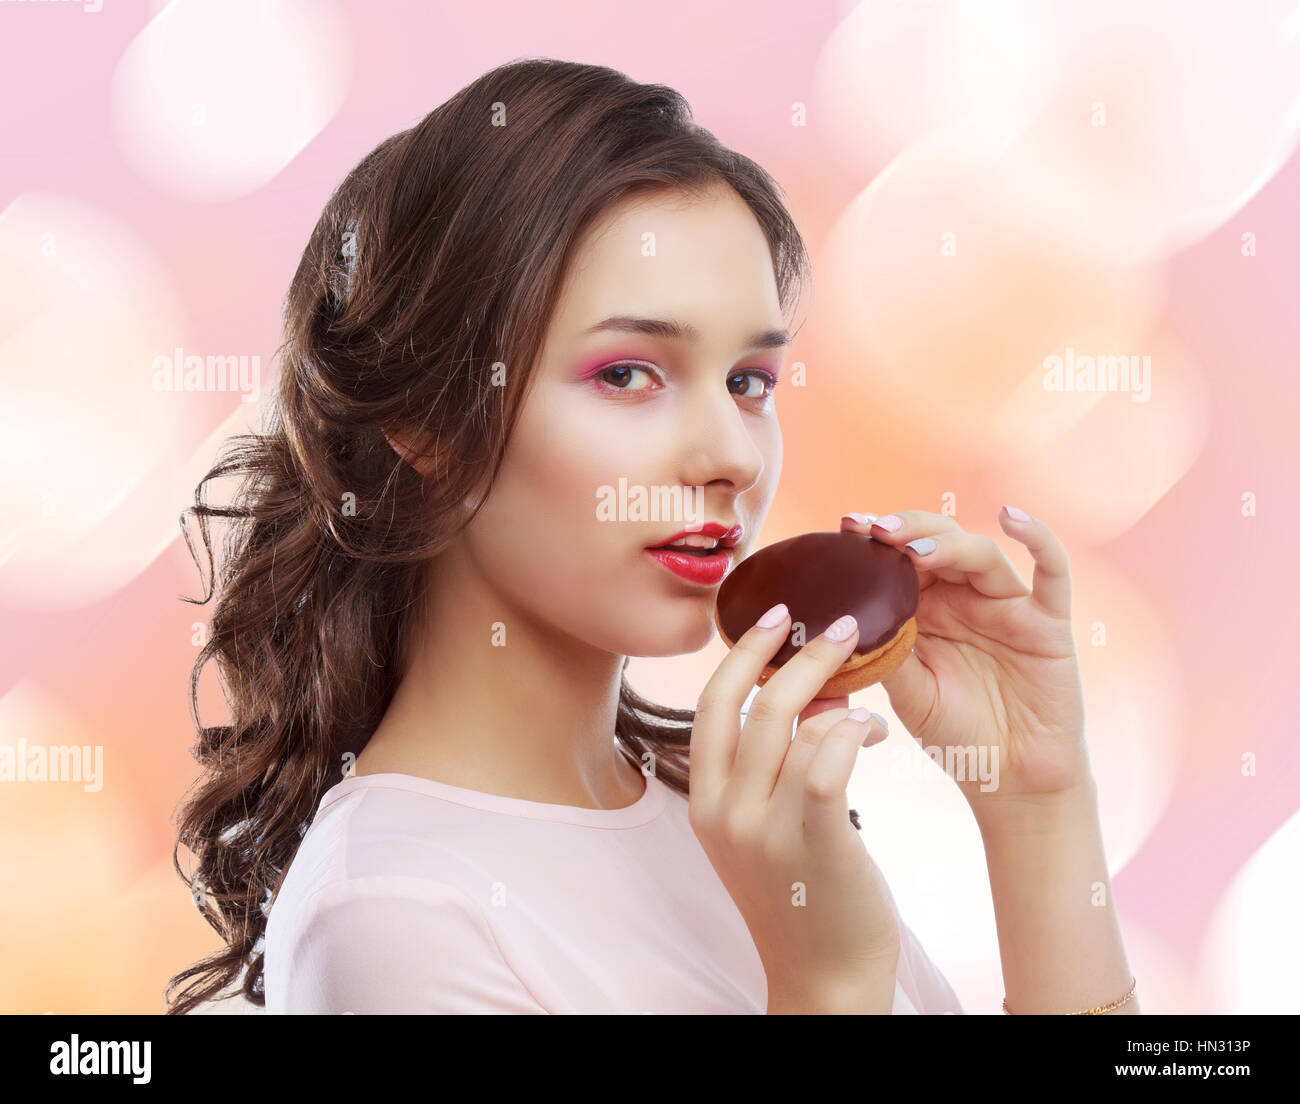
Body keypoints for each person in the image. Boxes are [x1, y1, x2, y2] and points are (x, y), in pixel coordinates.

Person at [167, 58, 1137, 1016]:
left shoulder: (736, 829)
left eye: (748, 381)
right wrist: (823, 986)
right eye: (628, 374)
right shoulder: (395, 917)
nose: (730, 455)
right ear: (424, 419)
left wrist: (1034, 807)